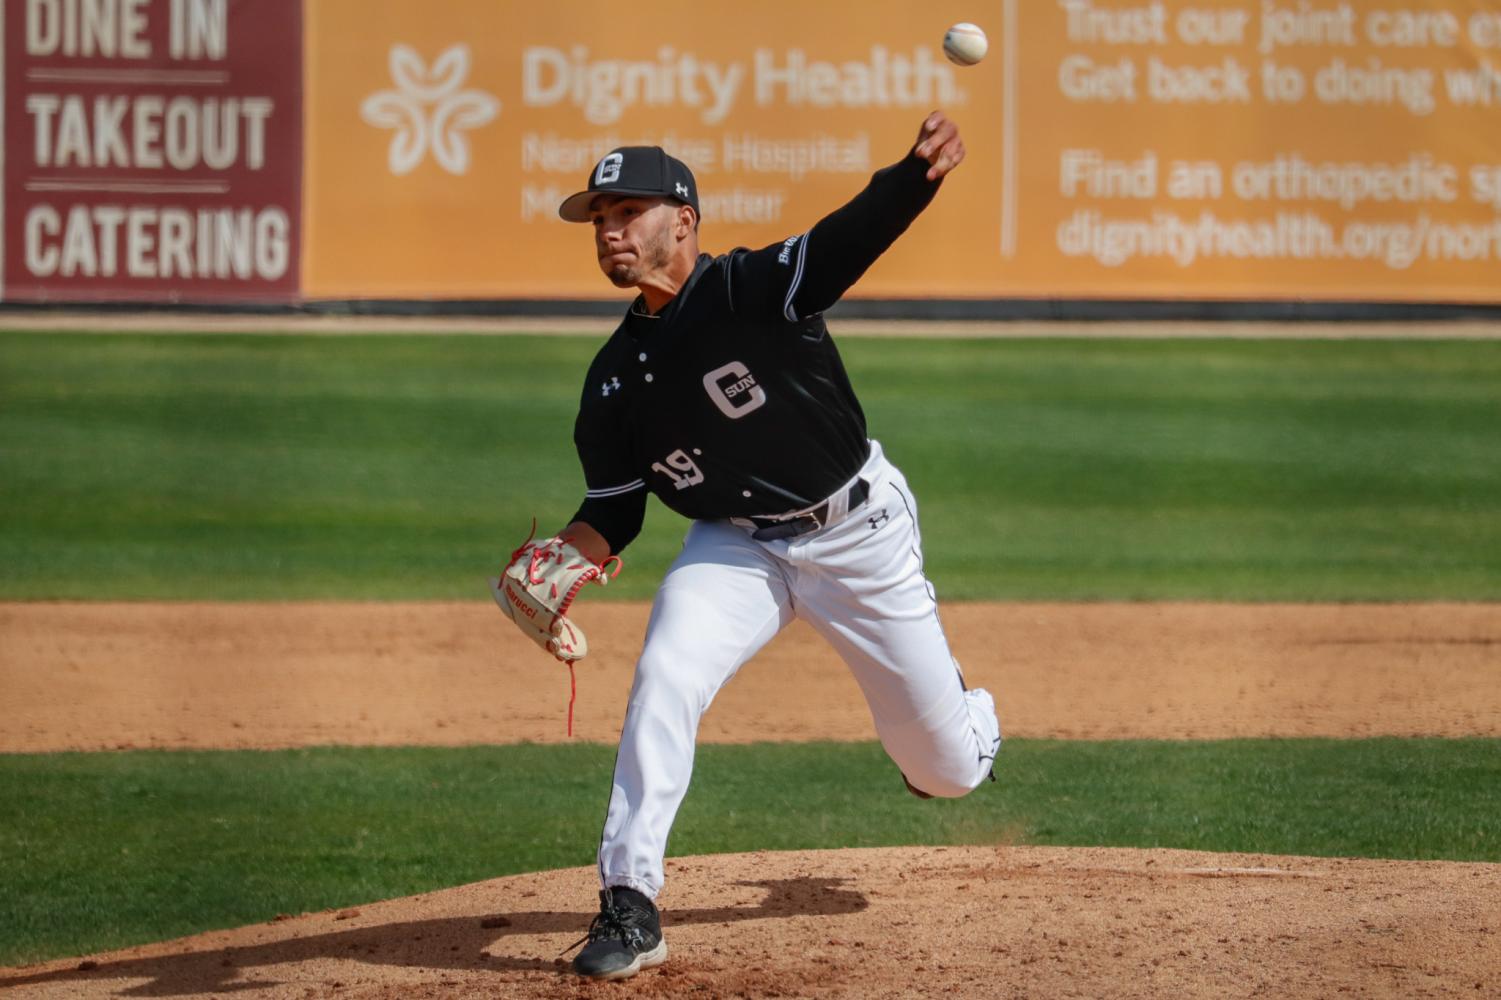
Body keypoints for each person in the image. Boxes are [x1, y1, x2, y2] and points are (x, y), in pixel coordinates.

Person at [509, 111, 1002, 981]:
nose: (609, 231)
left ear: (682, 221)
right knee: (666, 673)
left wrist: (914, 175)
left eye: (627, 211)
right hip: (734, 547)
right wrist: (559, 560)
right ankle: (630, 903)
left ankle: (969, 714)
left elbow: (847, 240)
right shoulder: (613, 379)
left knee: (946, 771)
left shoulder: (749, 289)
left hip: (858, 533)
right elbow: (615, 510)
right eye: (599, 218)